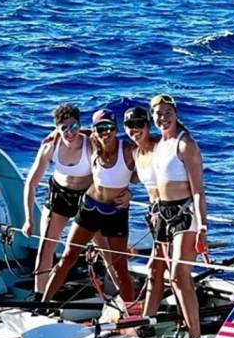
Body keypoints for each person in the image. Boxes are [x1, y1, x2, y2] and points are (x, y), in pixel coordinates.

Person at [42, 108, 136, 307]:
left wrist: (130, 193)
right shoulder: (92, 142)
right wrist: (56, 133)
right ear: (95, 130)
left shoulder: (127, 149)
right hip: (90, 207)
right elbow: (76, 132)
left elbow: (144, 172)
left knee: (120, 266)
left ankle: (133, 314)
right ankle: (42, 305)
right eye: (101, 128)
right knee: (68, 257)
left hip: (116, 212)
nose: (106, 132)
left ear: (116, 128)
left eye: (110, 127)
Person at [22, 103, 109, 299]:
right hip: (59, 197)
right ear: (57, 129)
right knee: (46, 246)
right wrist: (28, 219)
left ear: (80, 126)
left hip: (86, 197)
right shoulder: (50, 147)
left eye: (74, 127)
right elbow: (31, 184)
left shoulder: (90, 144)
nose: (70, 133)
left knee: (104, 246)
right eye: (64, 129)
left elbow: (106, 171)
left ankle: (116, 294)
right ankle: (39, 297)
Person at [149, 93, 208, 338]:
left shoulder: (186, 145)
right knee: (166, 276)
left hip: (184, 215)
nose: (163, 118)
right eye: (158, 114)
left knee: (178, 274)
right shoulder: (159, 145)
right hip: (163, 214)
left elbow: (197, 190)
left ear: (176, 114)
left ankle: (196, 336)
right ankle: (183, 326)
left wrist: (203, 226)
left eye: (167, 113)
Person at [122, 106, 167, 318]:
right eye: (130, 125)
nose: (135, 129)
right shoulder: (135, 152)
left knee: (171, 271)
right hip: (155, 216)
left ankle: (190, 326)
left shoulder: (161, 145)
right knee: (156, 269)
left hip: (173, 214)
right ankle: (147, 318)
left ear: (148, 126)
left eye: (140, 124)